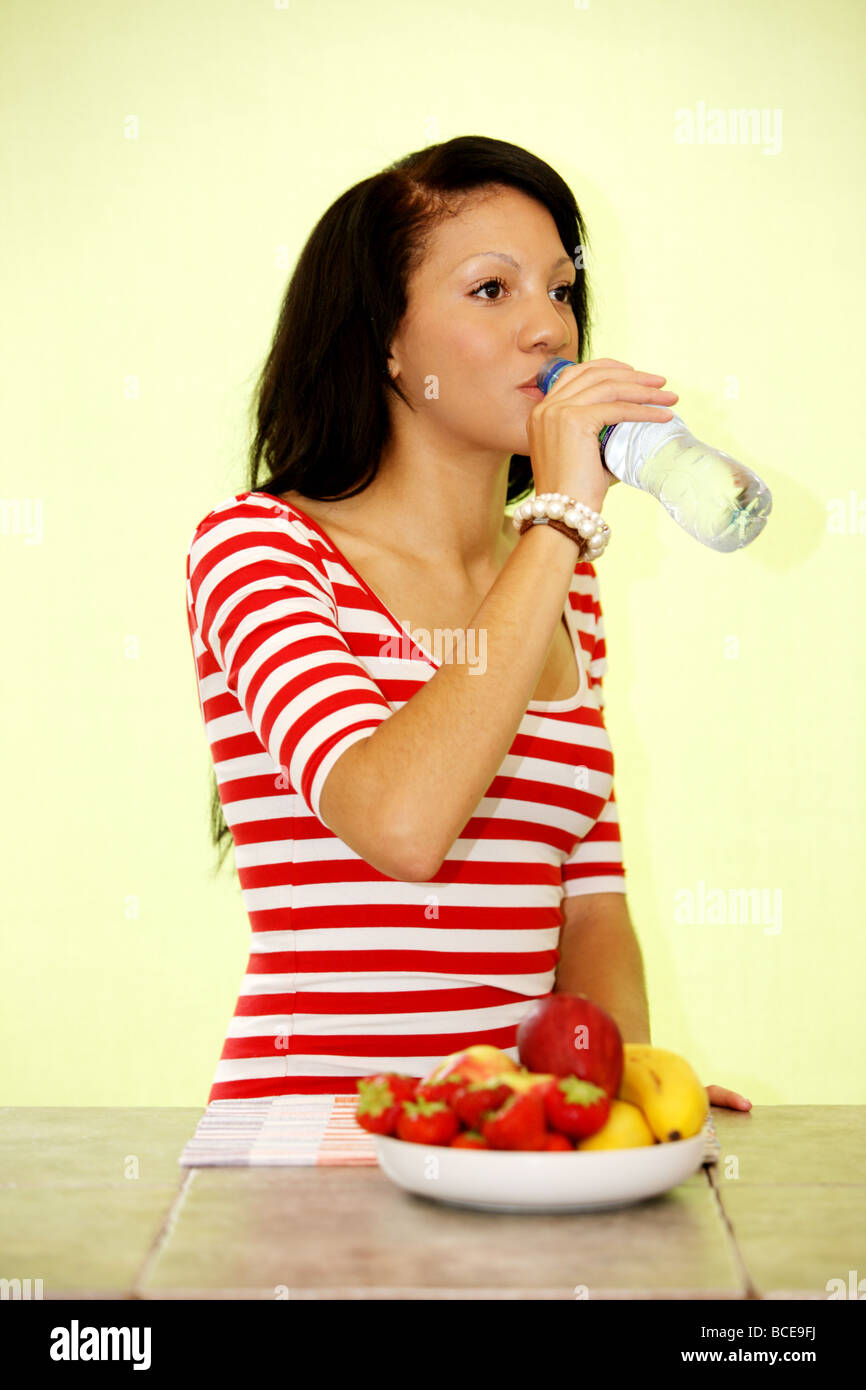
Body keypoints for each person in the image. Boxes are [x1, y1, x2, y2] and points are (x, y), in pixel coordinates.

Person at [185, 134, 750, 1113]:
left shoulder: (556, 583)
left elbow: (588, 903)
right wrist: (563, 520)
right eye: (491, 290)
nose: (548, 329)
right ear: (387, 342)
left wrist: (623, 1097)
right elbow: (399, 822)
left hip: (505, 1155)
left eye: (561, 289)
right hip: (305, 1162)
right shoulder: (258, 549)